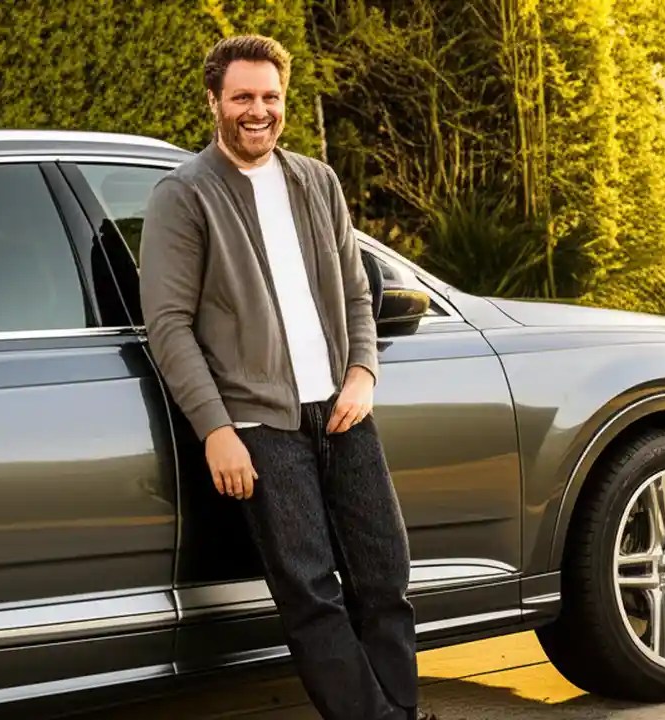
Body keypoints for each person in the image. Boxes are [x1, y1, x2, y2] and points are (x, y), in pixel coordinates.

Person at [139, 34, 435, 720]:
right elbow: (169, 327)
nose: (258, 110)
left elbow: (357, 292)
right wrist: (217, 430)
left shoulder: (317, 181)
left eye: (270, 96)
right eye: (242, 96)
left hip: (342, 410)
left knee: (385, 578)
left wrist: (363, 372)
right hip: (260, 426)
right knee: (311, 593)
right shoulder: (184, 196)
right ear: (213, 101)